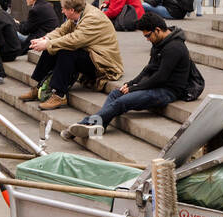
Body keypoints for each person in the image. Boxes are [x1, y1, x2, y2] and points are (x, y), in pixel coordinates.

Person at [65, 13, 196, 141]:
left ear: (157, 30)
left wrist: (135, 89)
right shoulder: (159, 43)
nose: (147, 39)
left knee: (123, 101)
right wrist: (131, 83)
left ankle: (86, 122)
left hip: (167, 91)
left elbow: (161, 77)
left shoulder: (175, 48)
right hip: (155, 85)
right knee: (116, 94)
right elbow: (148, 69)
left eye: (148, 35)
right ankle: (100, 125)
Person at [21, 0, 125, 110]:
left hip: (103, 63)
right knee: (53, 48)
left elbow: (74, 40)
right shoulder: (79, 13)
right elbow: (61, 31)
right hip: (91, 54)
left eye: (63, 9)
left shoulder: (92, 18)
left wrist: (48, 44)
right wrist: (46, 38)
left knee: (66, 52)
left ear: (71, 10)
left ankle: (59, 95)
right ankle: (38, 86)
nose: (62, 11)